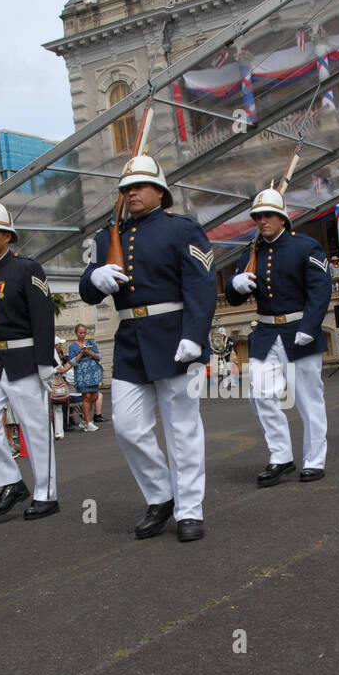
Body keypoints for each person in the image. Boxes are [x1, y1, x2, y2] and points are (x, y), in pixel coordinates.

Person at [79, 154, 215, 541]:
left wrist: (195, 334)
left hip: (175, 335)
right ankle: (161, 494)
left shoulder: (181, 229)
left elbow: (201, 284)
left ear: (160, 191)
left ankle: (189, 508)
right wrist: (96, 277)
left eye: (139, 186)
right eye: (126, 188)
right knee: (127, 426)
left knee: (182, 427)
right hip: (131, 341)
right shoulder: (108, 237)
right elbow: (86, 288)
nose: (131, 192)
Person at [224, 187, 332, 486]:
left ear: (283, 219)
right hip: (266, 333)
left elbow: (320, 291)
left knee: (309, 400)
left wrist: (309, 328)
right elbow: (233, 298)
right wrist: (236, 283)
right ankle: (281, 456)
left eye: (268, 215)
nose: (262, 221)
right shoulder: (252, 251)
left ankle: (315, 459)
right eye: (258, 217)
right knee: (259, 394)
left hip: (299, 331)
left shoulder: (305, 247)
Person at [0, 201, 59, 520]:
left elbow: (43, 317)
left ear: (8, 235)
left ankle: (47, 494)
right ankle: (10, 481)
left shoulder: (27, 268)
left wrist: (45, 360)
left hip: (24, 357)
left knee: (35, 429)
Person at [67, 324, 103, 433]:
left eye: (84, 333)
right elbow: (72, 361)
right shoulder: (72, 346)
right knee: (86, 396)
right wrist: (81, 354)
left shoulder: (91, 343)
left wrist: (90, 353)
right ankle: (88, 422)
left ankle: (84, 419)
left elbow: (99, 356)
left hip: (93, 372)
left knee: (94, 396)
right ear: (76, 333)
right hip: (82, 374)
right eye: (80, 333)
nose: (82, 335)